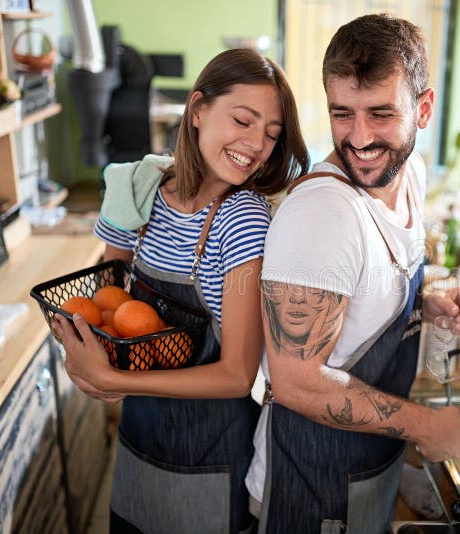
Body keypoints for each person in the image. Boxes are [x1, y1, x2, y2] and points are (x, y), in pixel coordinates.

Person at [52, 48, 309, 533]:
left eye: (271, 135)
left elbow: (236, 374)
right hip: (138, 444)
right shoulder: (140, 190)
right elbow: (109, 304)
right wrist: (85, 352)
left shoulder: (243, 221)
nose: (255, 144)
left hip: (210, 460)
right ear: (197, 111)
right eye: (242, 120)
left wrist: (117, 382)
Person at [245, 14, 460, 533]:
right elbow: (296, 381)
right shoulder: (323, 214)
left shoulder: (410, 176)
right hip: (307, 487)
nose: (360, 138)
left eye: (380, 113)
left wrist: (427, 300)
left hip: (370, 466)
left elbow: (370, 289)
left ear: (423, 109)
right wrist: (422, 425)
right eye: (342, 114)